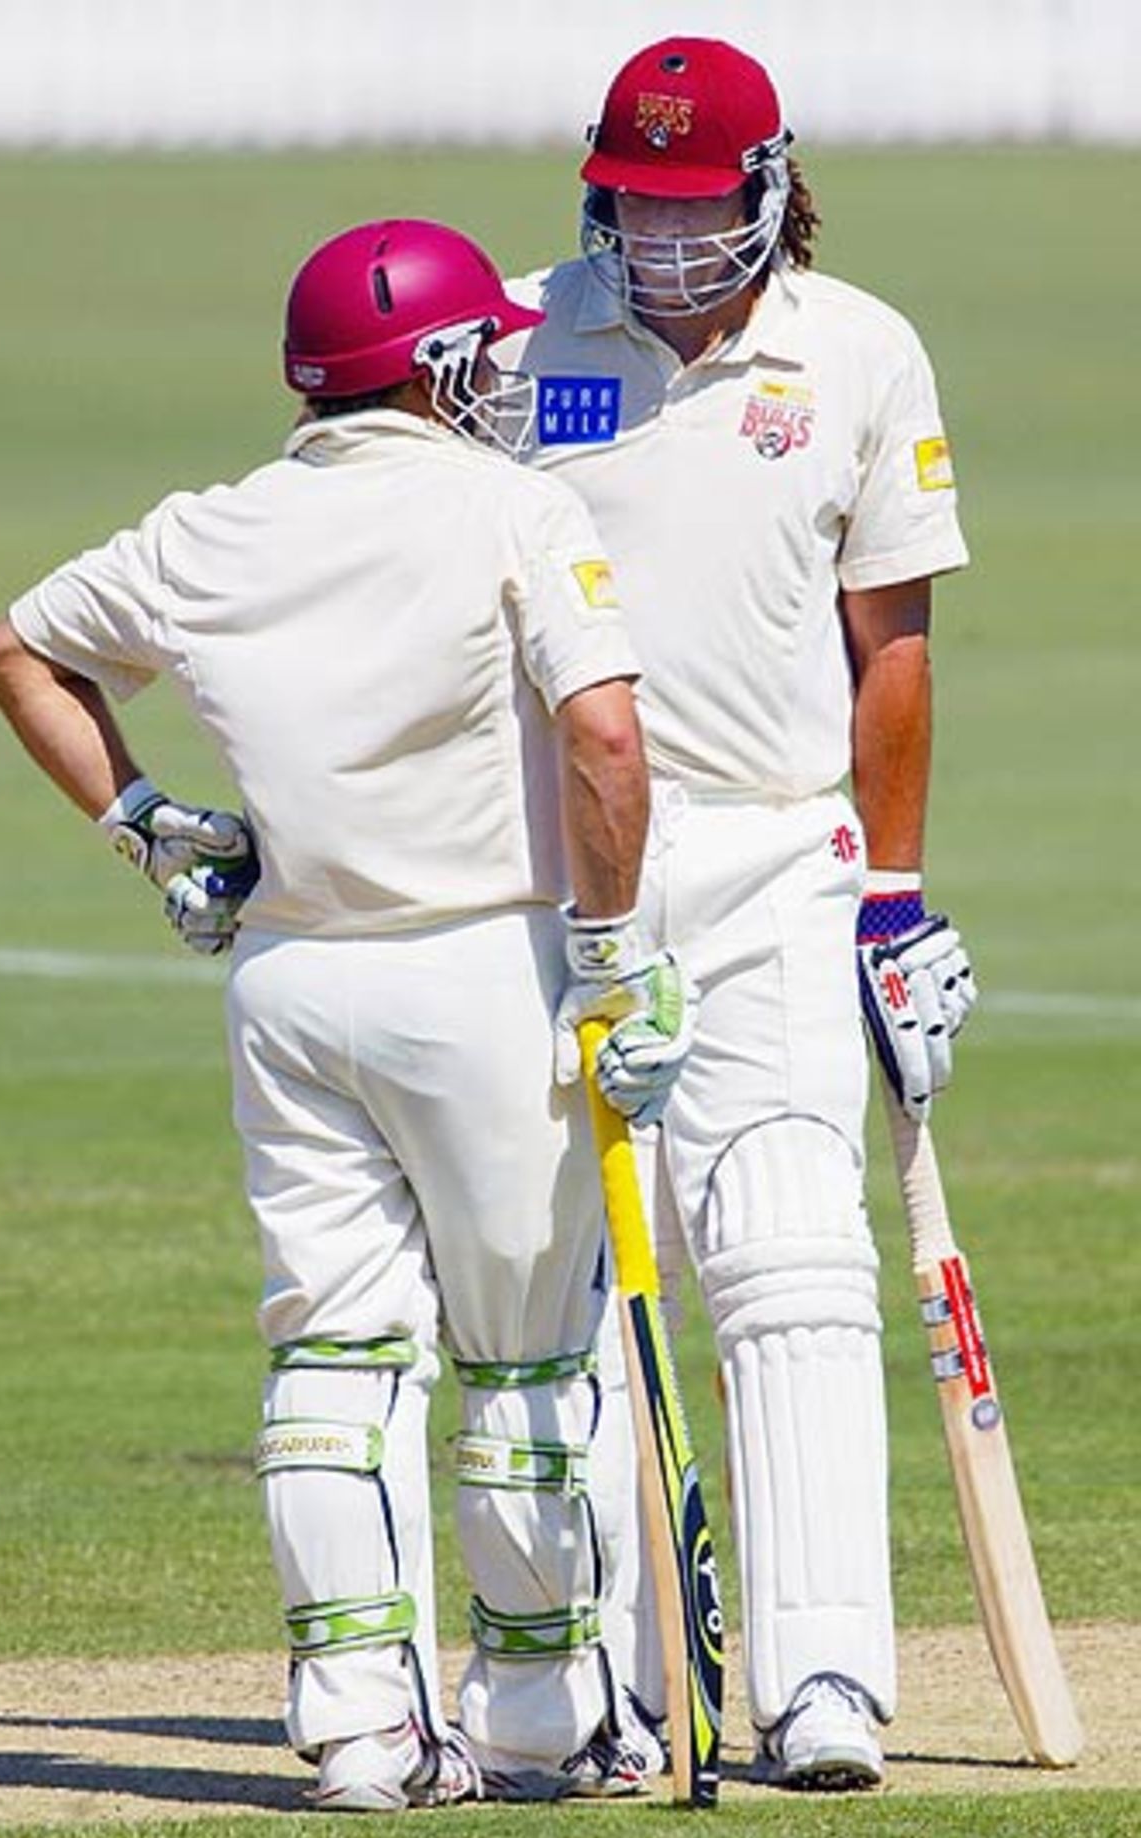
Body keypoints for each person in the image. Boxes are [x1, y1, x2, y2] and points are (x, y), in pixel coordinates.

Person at [0, 216, 696, 1808]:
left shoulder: (208, 527)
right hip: (486, 973)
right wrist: (614, 952)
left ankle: (364, 1730)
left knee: (334, 1359)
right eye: (481, 352)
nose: (502, 373)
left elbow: (17, 651)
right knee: (524, 1367)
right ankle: (538, 1715)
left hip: (292, 980)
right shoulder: (516, 505)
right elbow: (606, 738)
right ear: (434, 367)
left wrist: (151, 825)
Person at [500, 36, 978, 1790]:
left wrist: (895, 900)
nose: (668, 241)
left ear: (771, 188)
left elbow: (892, 646)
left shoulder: (859, 350)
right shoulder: (515, 338)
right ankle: (615, 1684)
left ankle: (824, 1672)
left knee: (791, 1249)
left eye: (699, 206)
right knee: (577, 1275)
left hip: (779, 847)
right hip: (568, 863)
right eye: (638, 206)